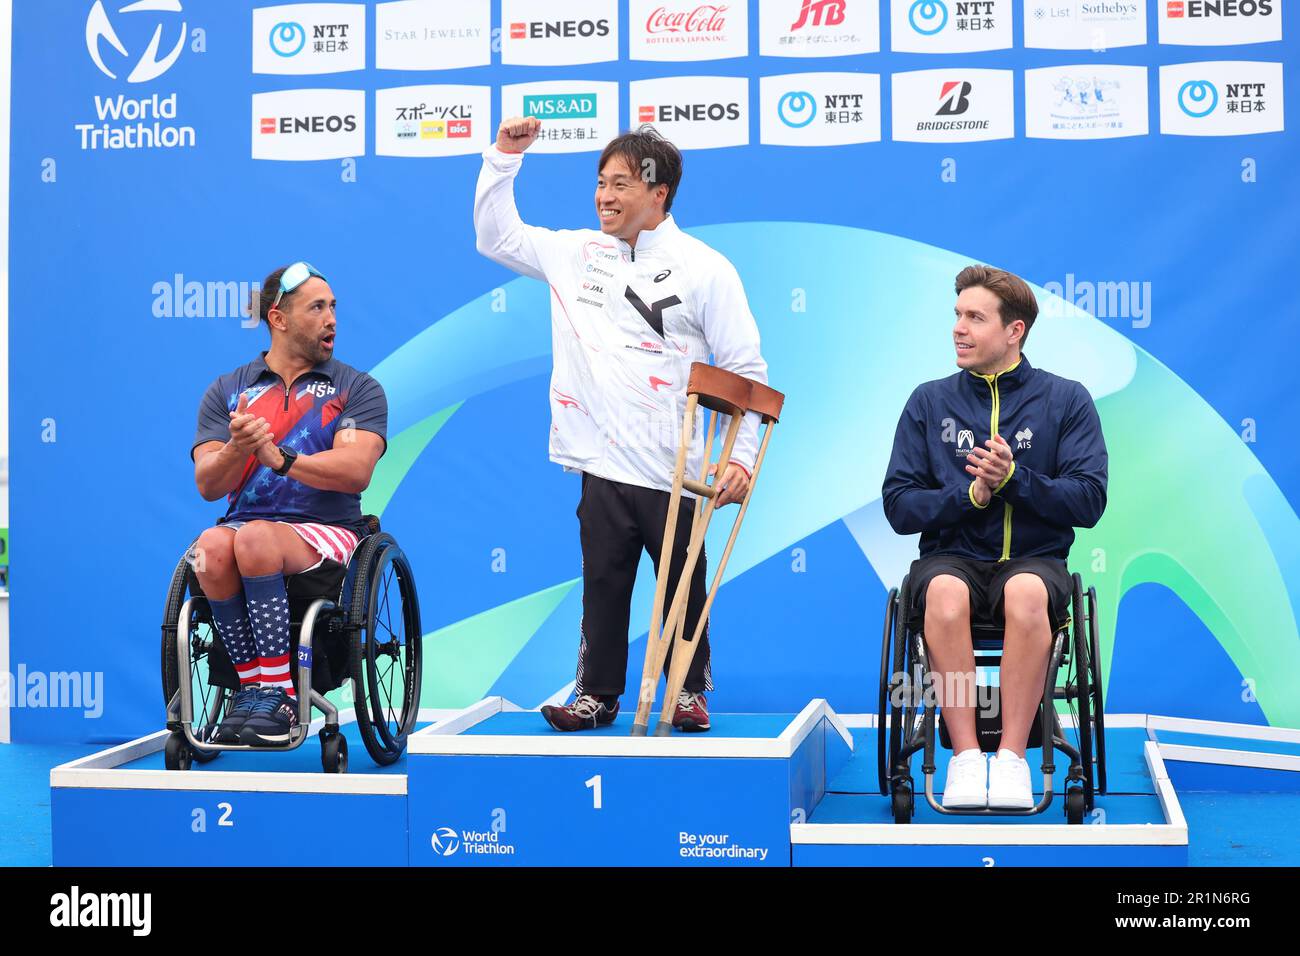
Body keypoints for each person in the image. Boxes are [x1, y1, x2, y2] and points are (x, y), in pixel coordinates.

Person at [474, 118, 769, 732]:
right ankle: (596, 694)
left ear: (658, 192)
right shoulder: (575, 253)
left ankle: (687, 690)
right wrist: (504, 157)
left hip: (677, 466)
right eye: (600, 183)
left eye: (619, 184)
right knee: (602, 586)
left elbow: (744, 369)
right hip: (600, 462)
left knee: (683, 586)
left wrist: (739, 457)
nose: (603, 196)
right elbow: (495, 237)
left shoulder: (706, 268)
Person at [882, 265, 1107, 808]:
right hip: (950, 559)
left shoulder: (1066, 400)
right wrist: (970, 498)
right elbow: (899, 504)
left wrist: (1015, 482)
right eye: (957, 315)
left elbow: (1089, 499)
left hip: (1035, 562)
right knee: (942, 593)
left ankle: (1009, 760)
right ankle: (962, 758)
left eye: (975, 318)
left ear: (1015, 331)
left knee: (1026, 593)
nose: (959, 328)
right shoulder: (928, 402)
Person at [189, 262, 388, 745]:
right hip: (246, 533)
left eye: (333, 307)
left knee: (255, 538)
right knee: (208, 549)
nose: (332, 319)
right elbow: (208, 485)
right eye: (317, 308)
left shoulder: (355, 388)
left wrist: (281, 460)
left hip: (328, 533)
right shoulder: (229, 391)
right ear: (278, 319)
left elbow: (355, 470)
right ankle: (251, 686)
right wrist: (238, 447)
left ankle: (279, 690)